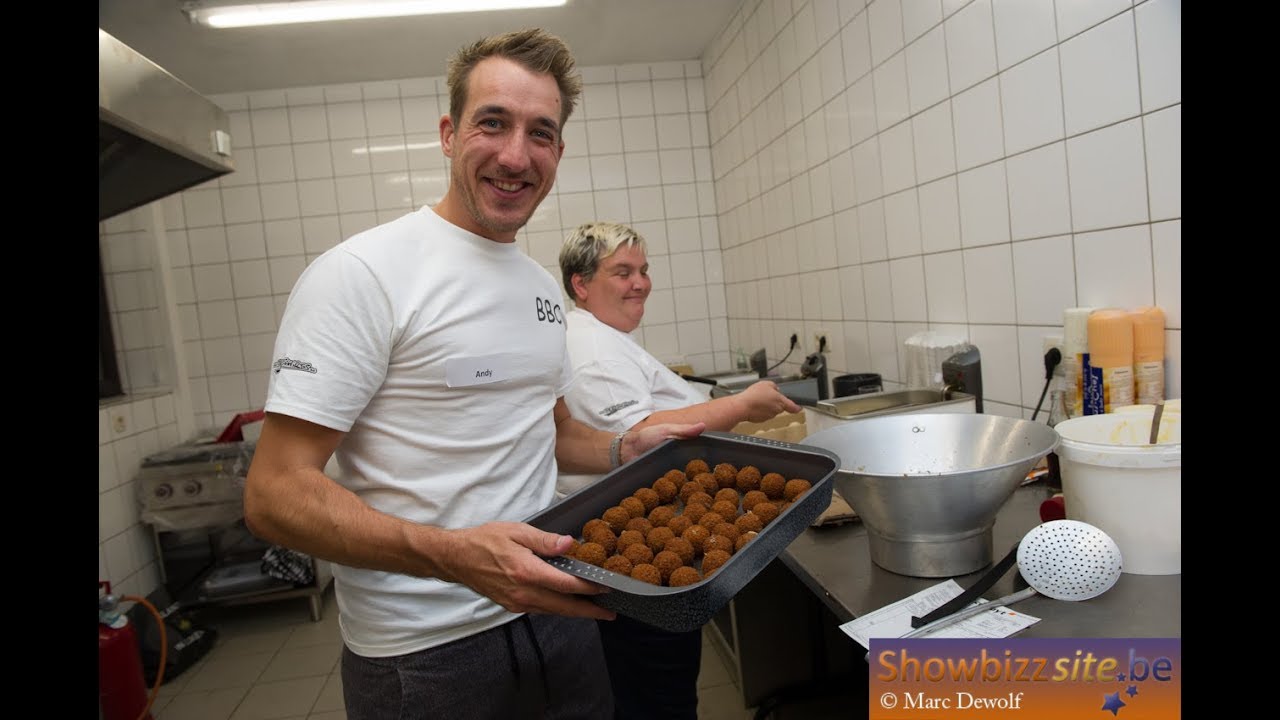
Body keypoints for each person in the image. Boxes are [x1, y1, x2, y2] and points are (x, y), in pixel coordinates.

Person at [242, 29, 704, 720]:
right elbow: (274, 494)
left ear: (558, 153)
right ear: (449, 133)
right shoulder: (363, 274)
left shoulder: (541, 289)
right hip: (424, 655)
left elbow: (549, 432)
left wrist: (620, 449)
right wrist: (454, 556)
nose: (516, 155)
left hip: (561, 610)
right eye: (493, 122)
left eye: (540, 133)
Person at [556, 221, 801, 720]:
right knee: (655, 696)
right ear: (581, 284)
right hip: (634, 551)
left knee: (659, 688)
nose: (640, 283)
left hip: (652, 541)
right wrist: (740, 405)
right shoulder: (592, 349)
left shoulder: (605, 337)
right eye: (622, 272)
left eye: (643, 270)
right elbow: (643, 438)